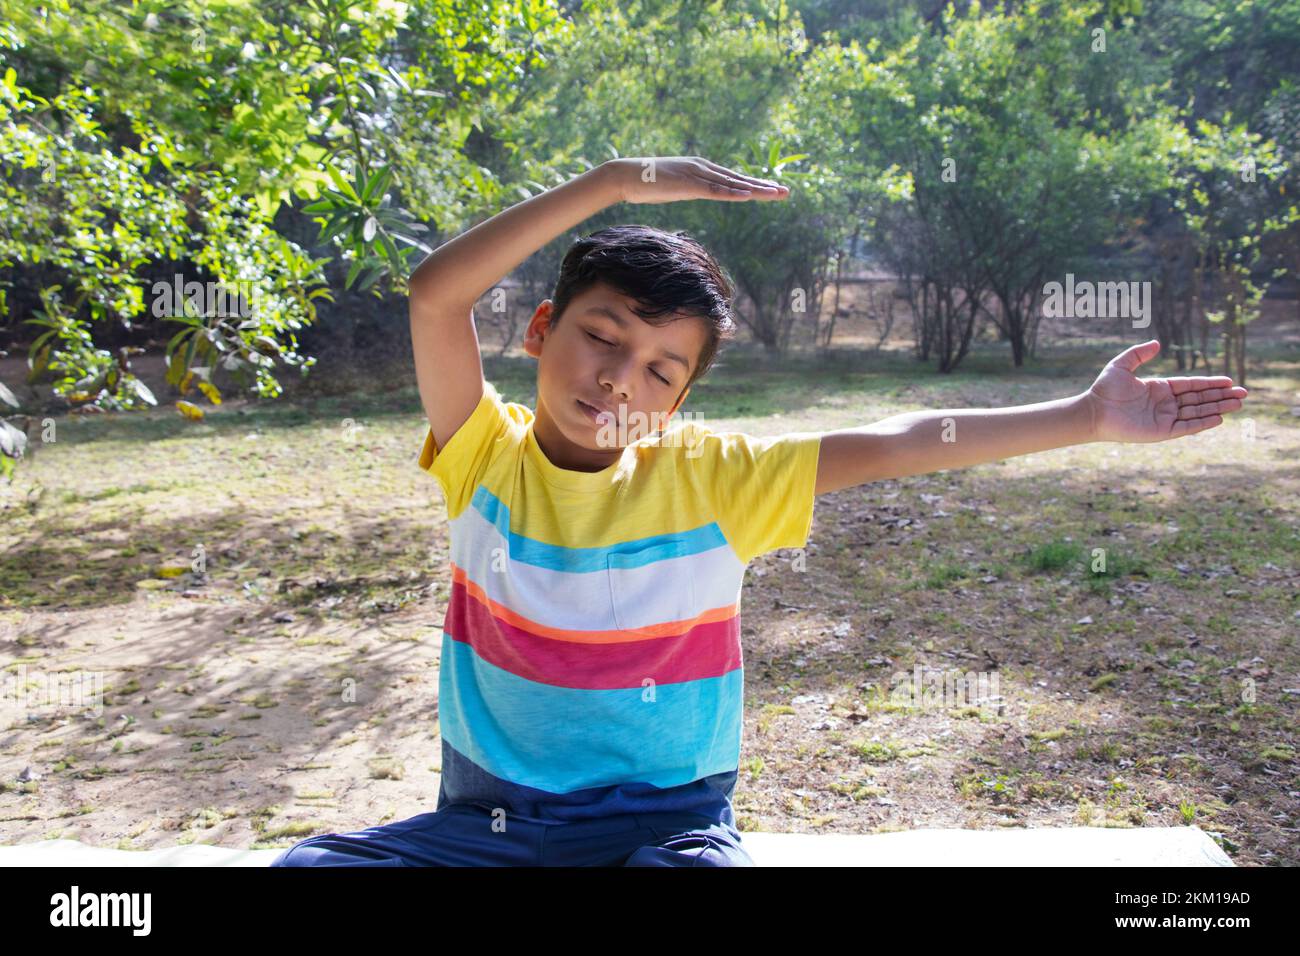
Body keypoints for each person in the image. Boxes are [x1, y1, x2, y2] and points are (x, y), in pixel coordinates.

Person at [271, 157, 1247, 867]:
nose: (616, 376)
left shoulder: (716, 479)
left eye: (658, 367)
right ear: (540, 329)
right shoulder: (484, 452)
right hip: (485, 823)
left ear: (681, 397)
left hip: (664, 830)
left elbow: (909, 434)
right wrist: (615, 179)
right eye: (598, 335)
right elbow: (436, 299)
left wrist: (1082, 415)